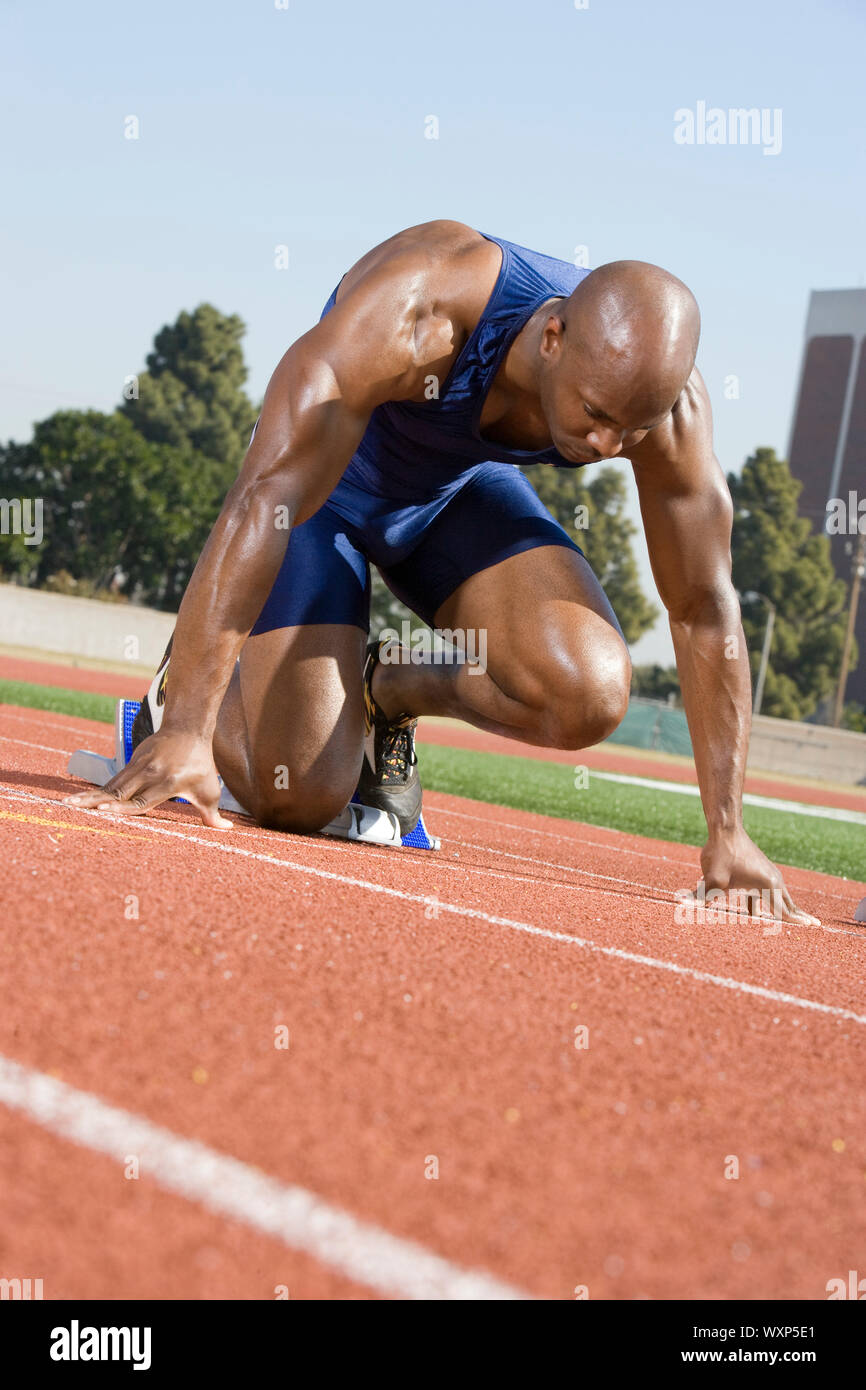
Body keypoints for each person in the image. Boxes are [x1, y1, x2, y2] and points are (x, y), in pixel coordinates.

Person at [65, 220, 818, 927]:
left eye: (631, 428)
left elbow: (702, 612)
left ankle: (386, 691)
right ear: (553, 336)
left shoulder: (663, 412)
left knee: (589, 693)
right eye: (594, 413)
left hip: (448, 495)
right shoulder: (426, 303)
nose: (605, 442)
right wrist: (194, 728)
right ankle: (174, 697)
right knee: (300, 794)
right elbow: (268, 495)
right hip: (318, 496)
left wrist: (729, 832)